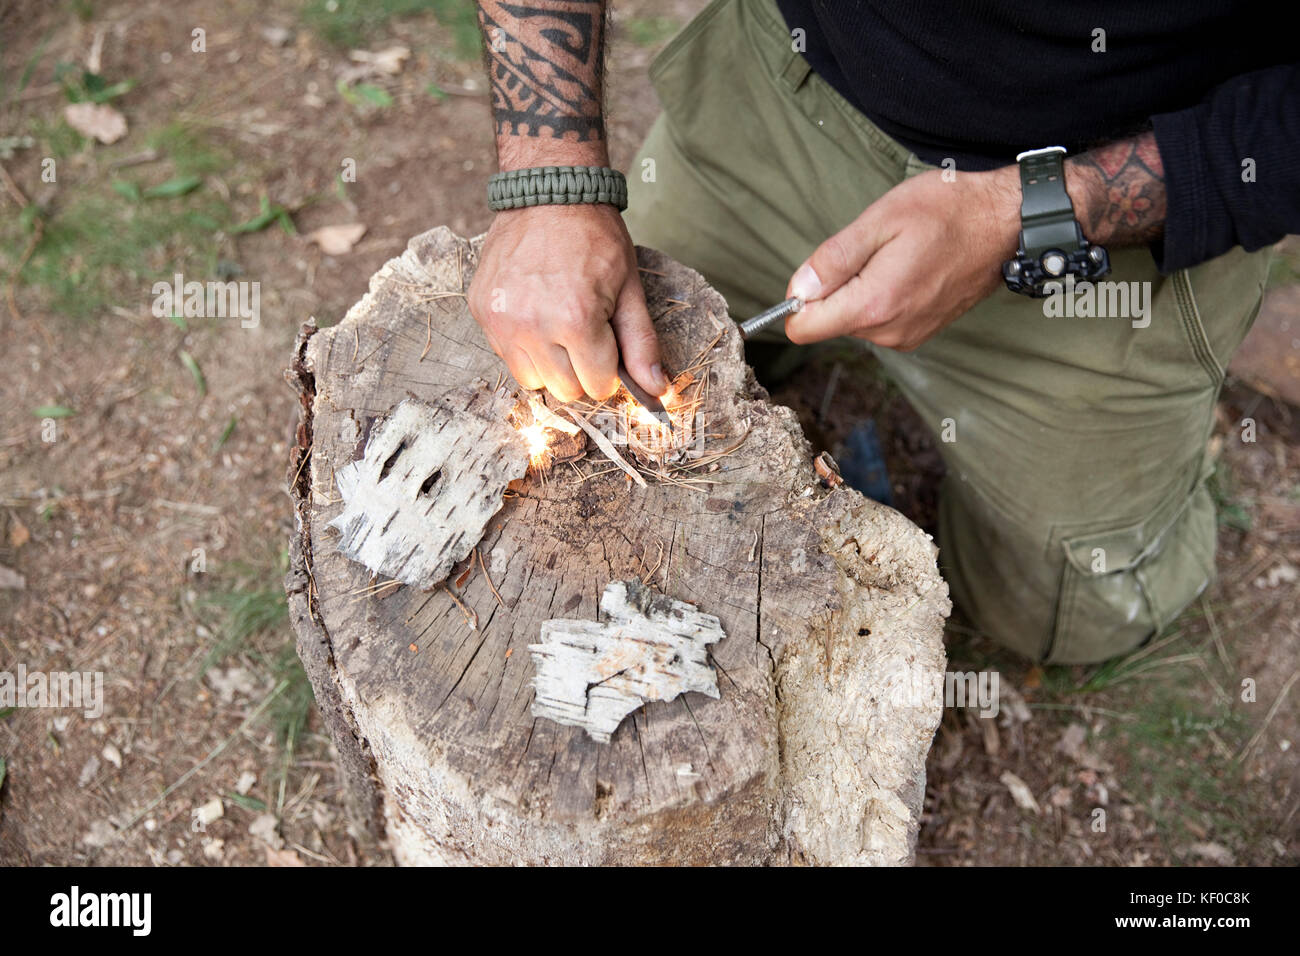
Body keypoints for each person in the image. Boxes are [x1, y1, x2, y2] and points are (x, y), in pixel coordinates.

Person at [466, 0, 1298, 663]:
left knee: (1068, 618)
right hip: (785, 97)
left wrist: (1031, 212)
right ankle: (778, 347)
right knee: (590, 365)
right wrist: (553, 182)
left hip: (1093, 212)